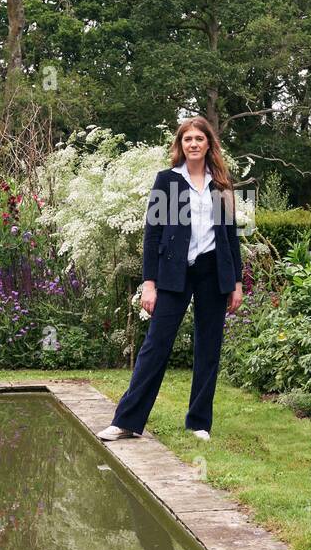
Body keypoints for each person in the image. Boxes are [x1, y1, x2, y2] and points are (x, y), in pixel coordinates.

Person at [98, 117, 244, 442]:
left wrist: (236, 282)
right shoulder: (167, 181)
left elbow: (232, 237)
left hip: (212, 272)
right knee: (155, 345)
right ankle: (126, 421)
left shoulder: (221, 185)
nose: (193, 144)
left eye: (199, 139)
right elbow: (153, 235)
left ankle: (199, 423)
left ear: (209, 145)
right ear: (180, 145)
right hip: (174, 272)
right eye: (187, 139)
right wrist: (149, 283)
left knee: (209, 347)